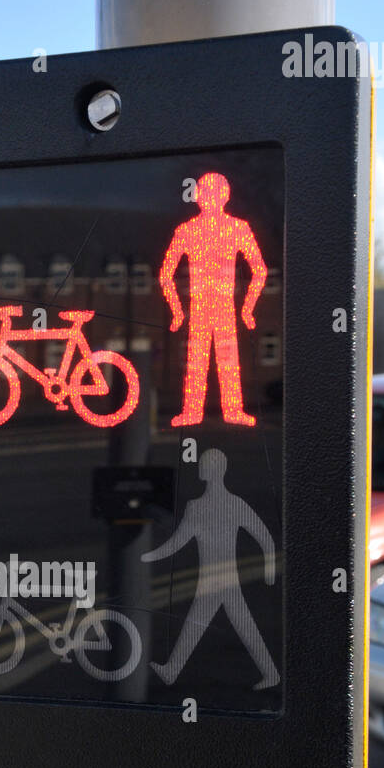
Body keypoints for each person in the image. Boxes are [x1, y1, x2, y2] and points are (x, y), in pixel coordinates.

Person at [142, 448, 279, 689]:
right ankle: (173, 670)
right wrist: (151, 556)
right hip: (217, 581)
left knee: (220, 626)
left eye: (205, 464)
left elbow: (264, 537)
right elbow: (178, 542)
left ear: (217, 470)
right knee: (222, 626)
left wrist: (269, 570)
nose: (201, 467)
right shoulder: (202, 506)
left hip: (221, 582)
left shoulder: (225, 505)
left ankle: (173, 670)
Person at [159, 172, 267, 427]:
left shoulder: (237, 228)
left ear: (225, 196)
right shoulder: (188, 230)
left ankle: (227, 410)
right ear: (198, 198)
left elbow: (259, 270)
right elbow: (165, 274)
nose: (209, 199)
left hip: (222, 304)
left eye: (213, 193)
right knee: (200, 361)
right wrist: (177, 310)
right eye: (205, 193)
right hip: (203, 304)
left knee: (224, 359)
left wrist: (247, 308)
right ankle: (197, 412)